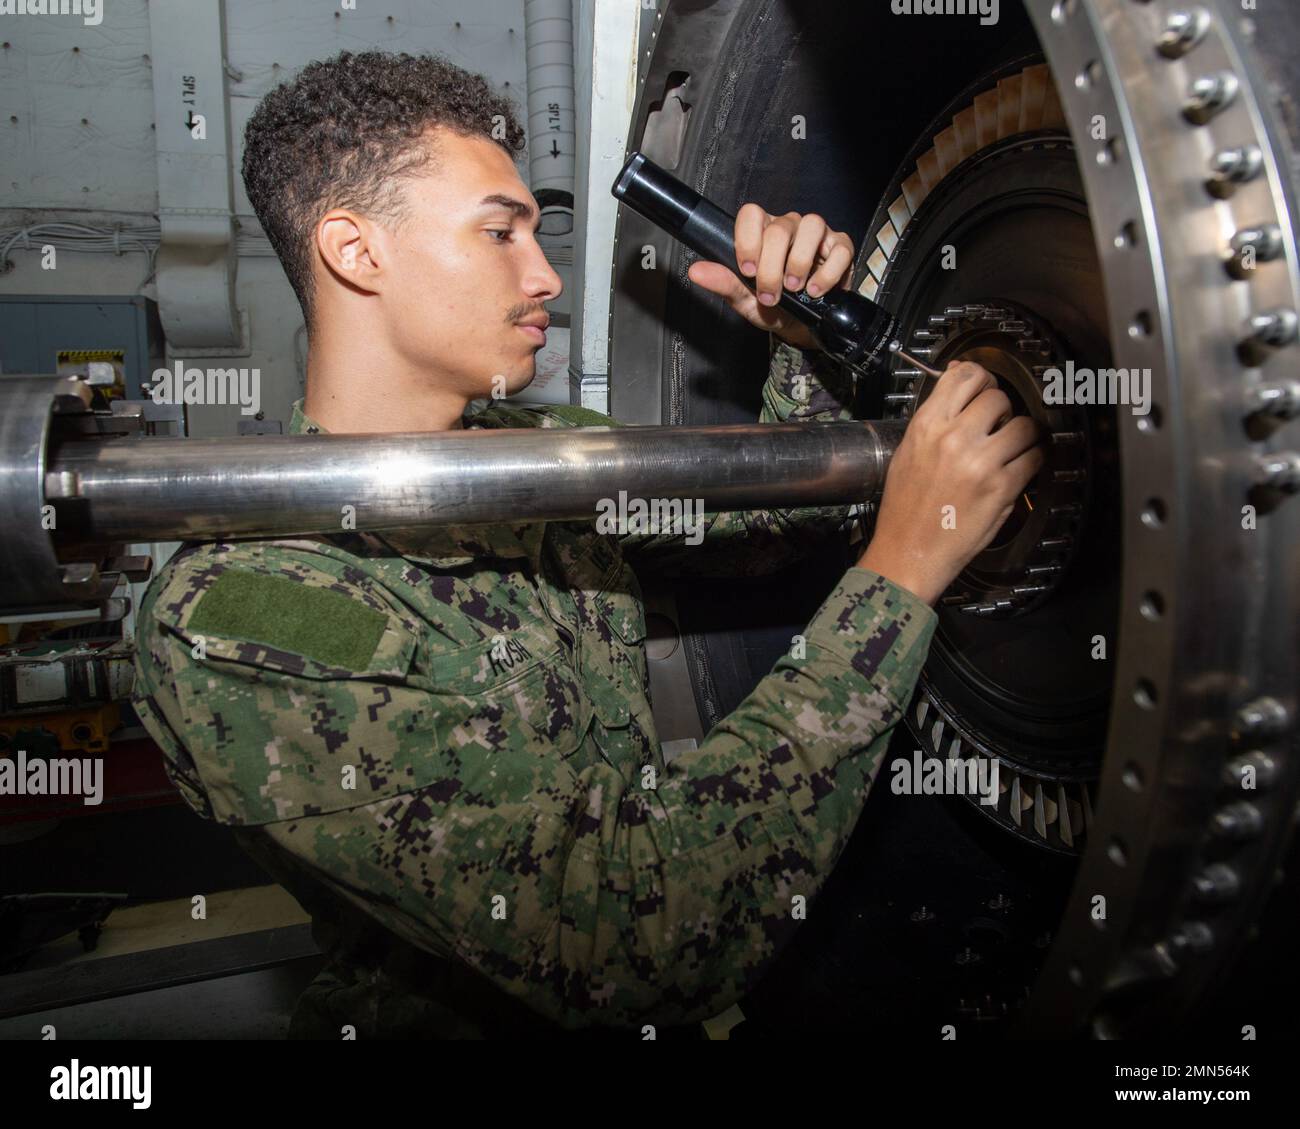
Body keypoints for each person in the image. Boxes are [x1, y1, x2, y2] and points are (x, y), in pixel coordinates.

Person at [130, 50, 1042, 1038]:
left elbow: (777, 521)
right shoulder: (239, 613)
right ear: (357, 252)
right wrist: (899, 576)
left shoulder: (542, 459)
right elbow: (631, 942)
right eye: (498, 234)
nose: (545, 277)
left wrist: (802, 339)